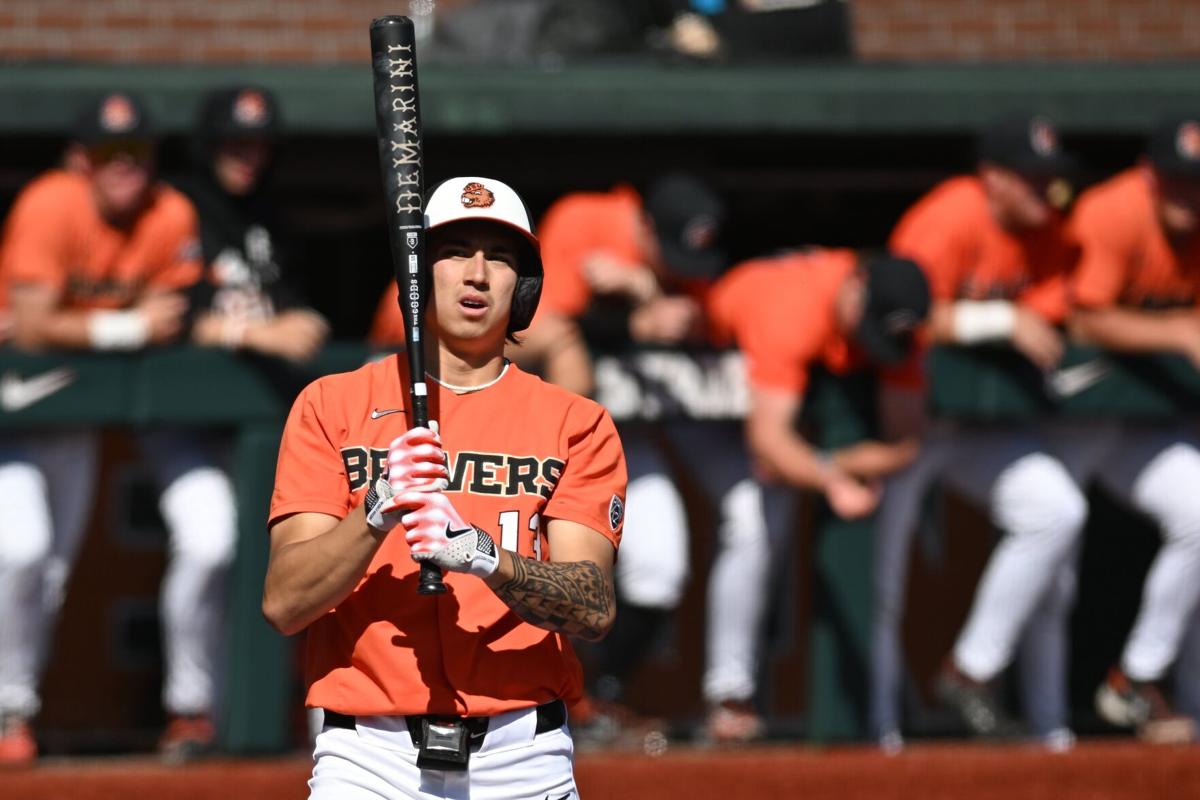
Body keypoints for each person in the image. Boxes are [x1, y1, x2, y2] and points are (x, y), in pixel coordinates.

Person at [264, 176, 626, 799]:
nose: (477, 275)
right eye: (455, 253)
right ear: (416, 275)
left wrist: (487, 558)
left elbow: (592, 608)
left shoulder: (576, 423)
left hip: (524, 756)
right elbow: (284, 603)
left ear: (524, 287)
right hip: (368, 758)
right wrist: (374, 511)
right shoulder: (331, 405)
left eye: (500, 258)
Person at [0, 92, 237, 763]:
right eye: (109, 152)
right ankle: (9, 709)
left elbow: (174, 316)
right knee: (21, 550)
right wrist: (124, 326)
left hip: (93, 408)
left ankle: (190, 711)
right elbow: (34, 326)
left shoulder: (168, 212)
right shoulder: (51, 203)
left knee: (58, 568)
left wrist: (76, 327)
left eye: (136, 150)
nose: (124, 164)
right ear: (80, 159)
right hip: (25, 405)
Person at [518, 173, 796, 745]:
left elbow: (706, 321)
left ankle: (598, 698)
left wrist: (646, 293)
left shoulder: (671, 269)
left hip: (624, 432)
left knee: (660, 565)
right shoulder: (585, 219)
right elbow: (533, 329)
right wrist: (630, 316)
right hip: (530, 430)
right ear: (644, 225)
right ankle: (535, 701)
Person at [873, 113, 1086, 751]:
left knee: (1057, 510)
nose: (1044, 190)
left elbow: (1059, 309)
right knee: (885, 576)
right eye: (1028, 177)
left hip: (977, 426)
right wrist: (998, 320)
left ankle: (971, 669)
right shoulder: (947, 219)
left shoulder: (1049, 230)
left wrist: (1015, 317)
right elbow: (900, 314)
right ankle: (876, 737)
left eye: (1049, 177)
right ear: (991, 177)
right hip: (907, 418)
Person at [705, 246, 929, 735]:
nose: (872, 343)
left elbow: (905, 440)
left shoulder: (893, 320)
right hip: (705, 399)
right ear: (856, 286)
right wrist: (831, 476)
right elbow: (769, 444)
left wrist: (836, 465)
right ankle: (730, 693)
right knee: (750, 523)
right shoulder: (793, 306)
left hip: (778, 416)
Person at [1063, 114, 1200, 744]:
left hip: (1146, 421)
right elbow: (1083, 320)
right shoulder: (1112, 211)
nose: (1189, 194)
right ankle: (1009, 700)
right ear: (1150, 175)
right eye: (1177, 179)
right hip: (1063, 416)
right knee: (1052, 535)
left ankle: (1137, 679)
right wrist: (1175, 332)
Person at [176, 86, 328, 368]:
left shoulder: (270, 216)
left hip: (258, 382)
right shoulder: (178, 207)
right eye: (236, 143)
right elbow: (164, 319)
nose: (249, 157)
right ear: (211, 146)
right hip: (187, 377)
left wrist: (303, 319)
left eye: (259, 145)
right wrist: (248, 334)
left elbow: (289, 301)